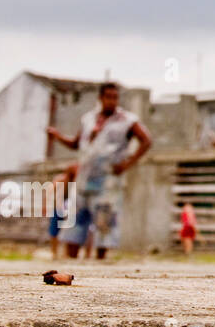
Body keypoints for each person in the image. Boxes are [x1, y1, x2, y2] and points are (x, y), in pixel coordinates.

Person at [46, 82, 153, 260]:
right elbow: (76, 143)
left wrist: (127, 164)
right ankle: (70, 262)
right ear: (101, 98)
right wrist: (57, 136)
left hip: (108, 180)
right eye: (108, 97)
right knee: (75, 221)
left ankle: (100, 264)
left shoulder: (127, 120)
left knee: (105, 223)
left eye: (115, 97)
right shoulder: (88, 119)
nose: (112, 101)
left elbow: (146, 140)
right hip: (84, 178)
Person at [45, 163, 78, 259]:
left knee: (68, 231)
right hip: (58, 208)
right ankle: (54, 252)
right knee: (54, 231)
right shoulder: (60, 179)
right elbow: (49, 190)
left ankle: (65, 253)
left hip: (71, 210)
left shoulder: (77, 181)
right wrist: (46, 204)